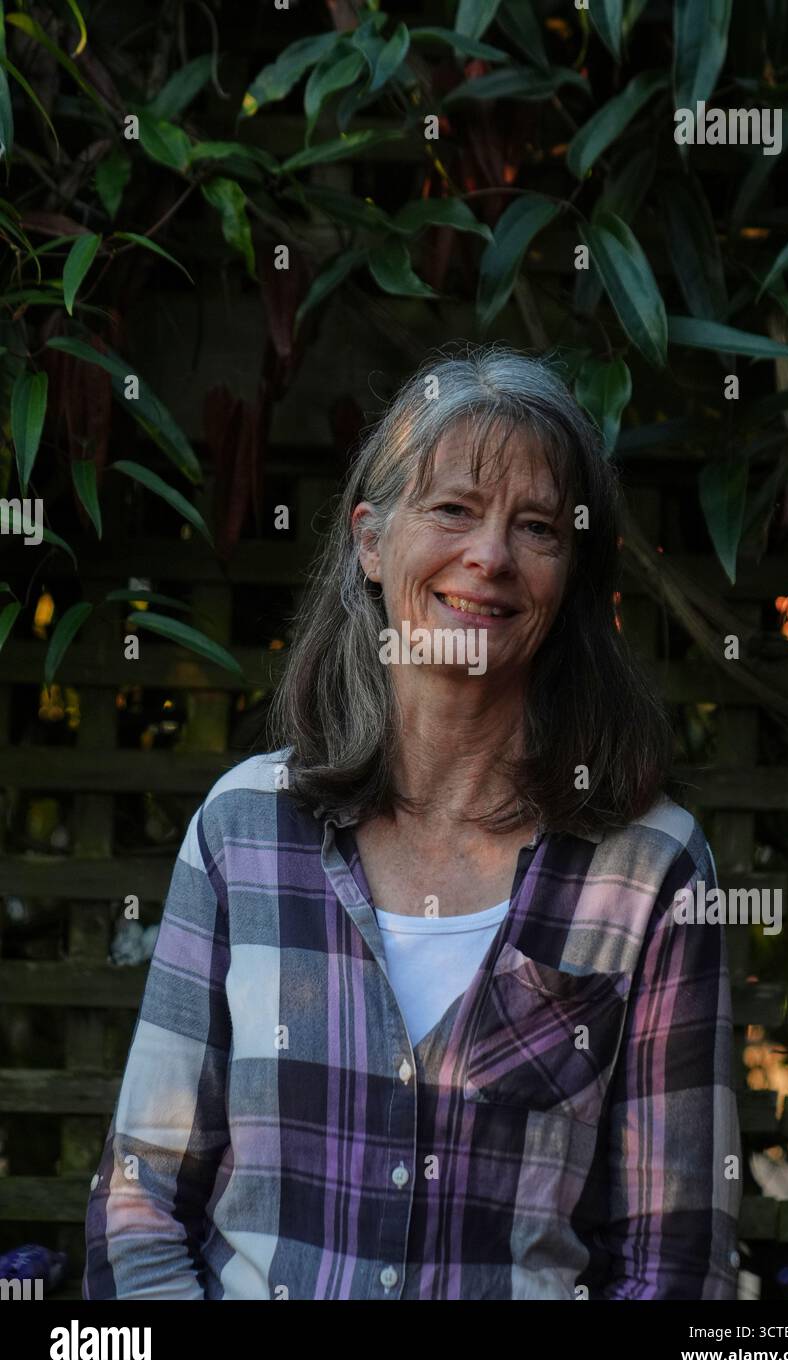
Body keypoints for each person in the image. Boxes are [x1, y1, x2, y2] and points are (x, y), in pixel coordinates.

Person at [84, 346, 742, 1300]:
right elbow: (139, 1206)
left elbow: (677, 1266)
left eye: (538, 527)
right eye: (453, 509)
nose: (490, 557)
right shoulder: (245, 832)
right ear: (369, 541)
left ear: (570, 581)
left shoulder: (650, 870)